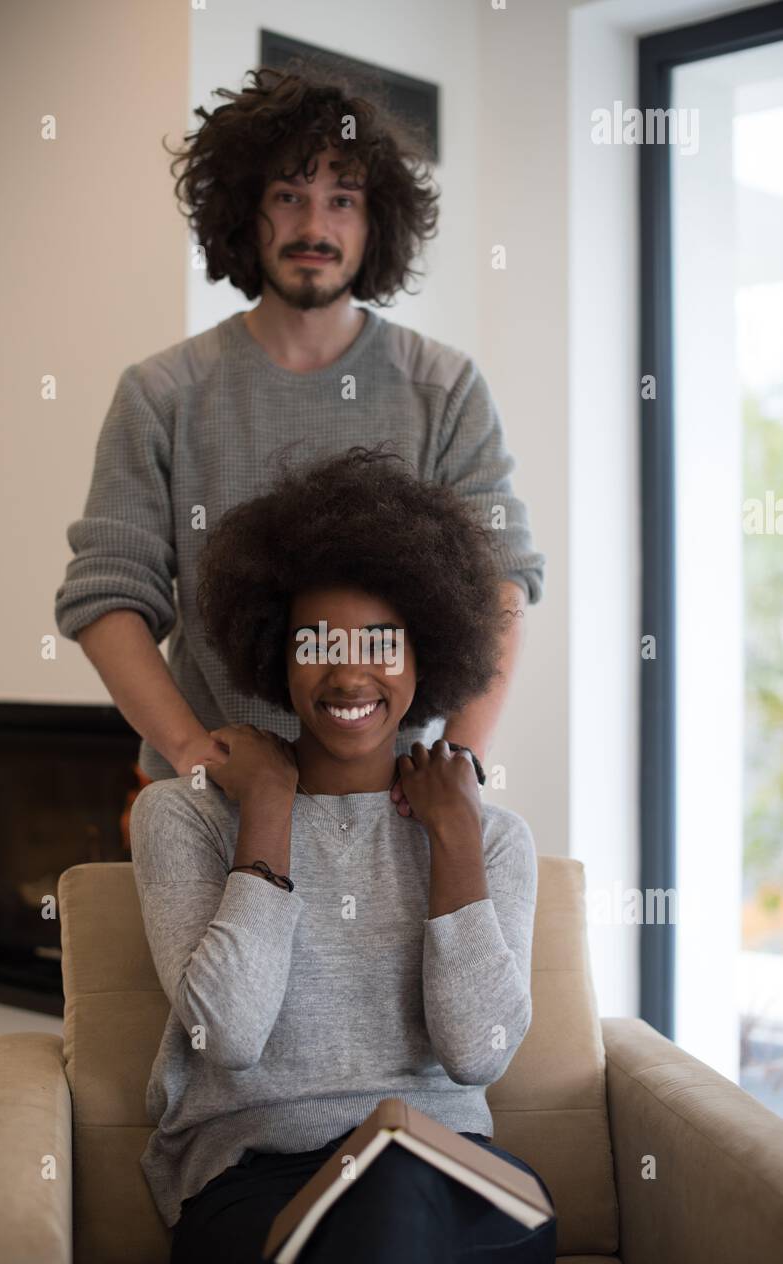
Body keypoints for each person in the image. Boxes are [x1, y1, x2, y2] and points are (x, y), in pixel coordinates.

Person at [53, 61, 545, 815]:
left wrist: (463, 762)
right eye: (288, 197)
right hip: (211, 805)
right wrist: (191, 755)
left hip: (395, 804)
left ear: (375, 219)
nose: (314, 228)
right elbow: (106, 593)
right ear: (243, 214)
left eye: (341, 201)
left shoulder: (444, 388)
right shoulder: (162, 394)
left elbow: (500, 582)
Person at [129, 447, 557, 1264]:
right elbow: (231, 1038)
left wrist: (455, 839)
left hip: (450, 1175)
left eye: (380, 643)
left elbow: (476, 1055)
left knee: (398, 1196)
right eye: (317, 641)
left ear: (423, 655)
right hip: (255, 1188)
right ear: (276, 656)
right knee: (382, 1239)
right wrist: (270, 810)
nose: (349, 670)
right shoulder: (185, 815)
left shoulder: (491, 839)